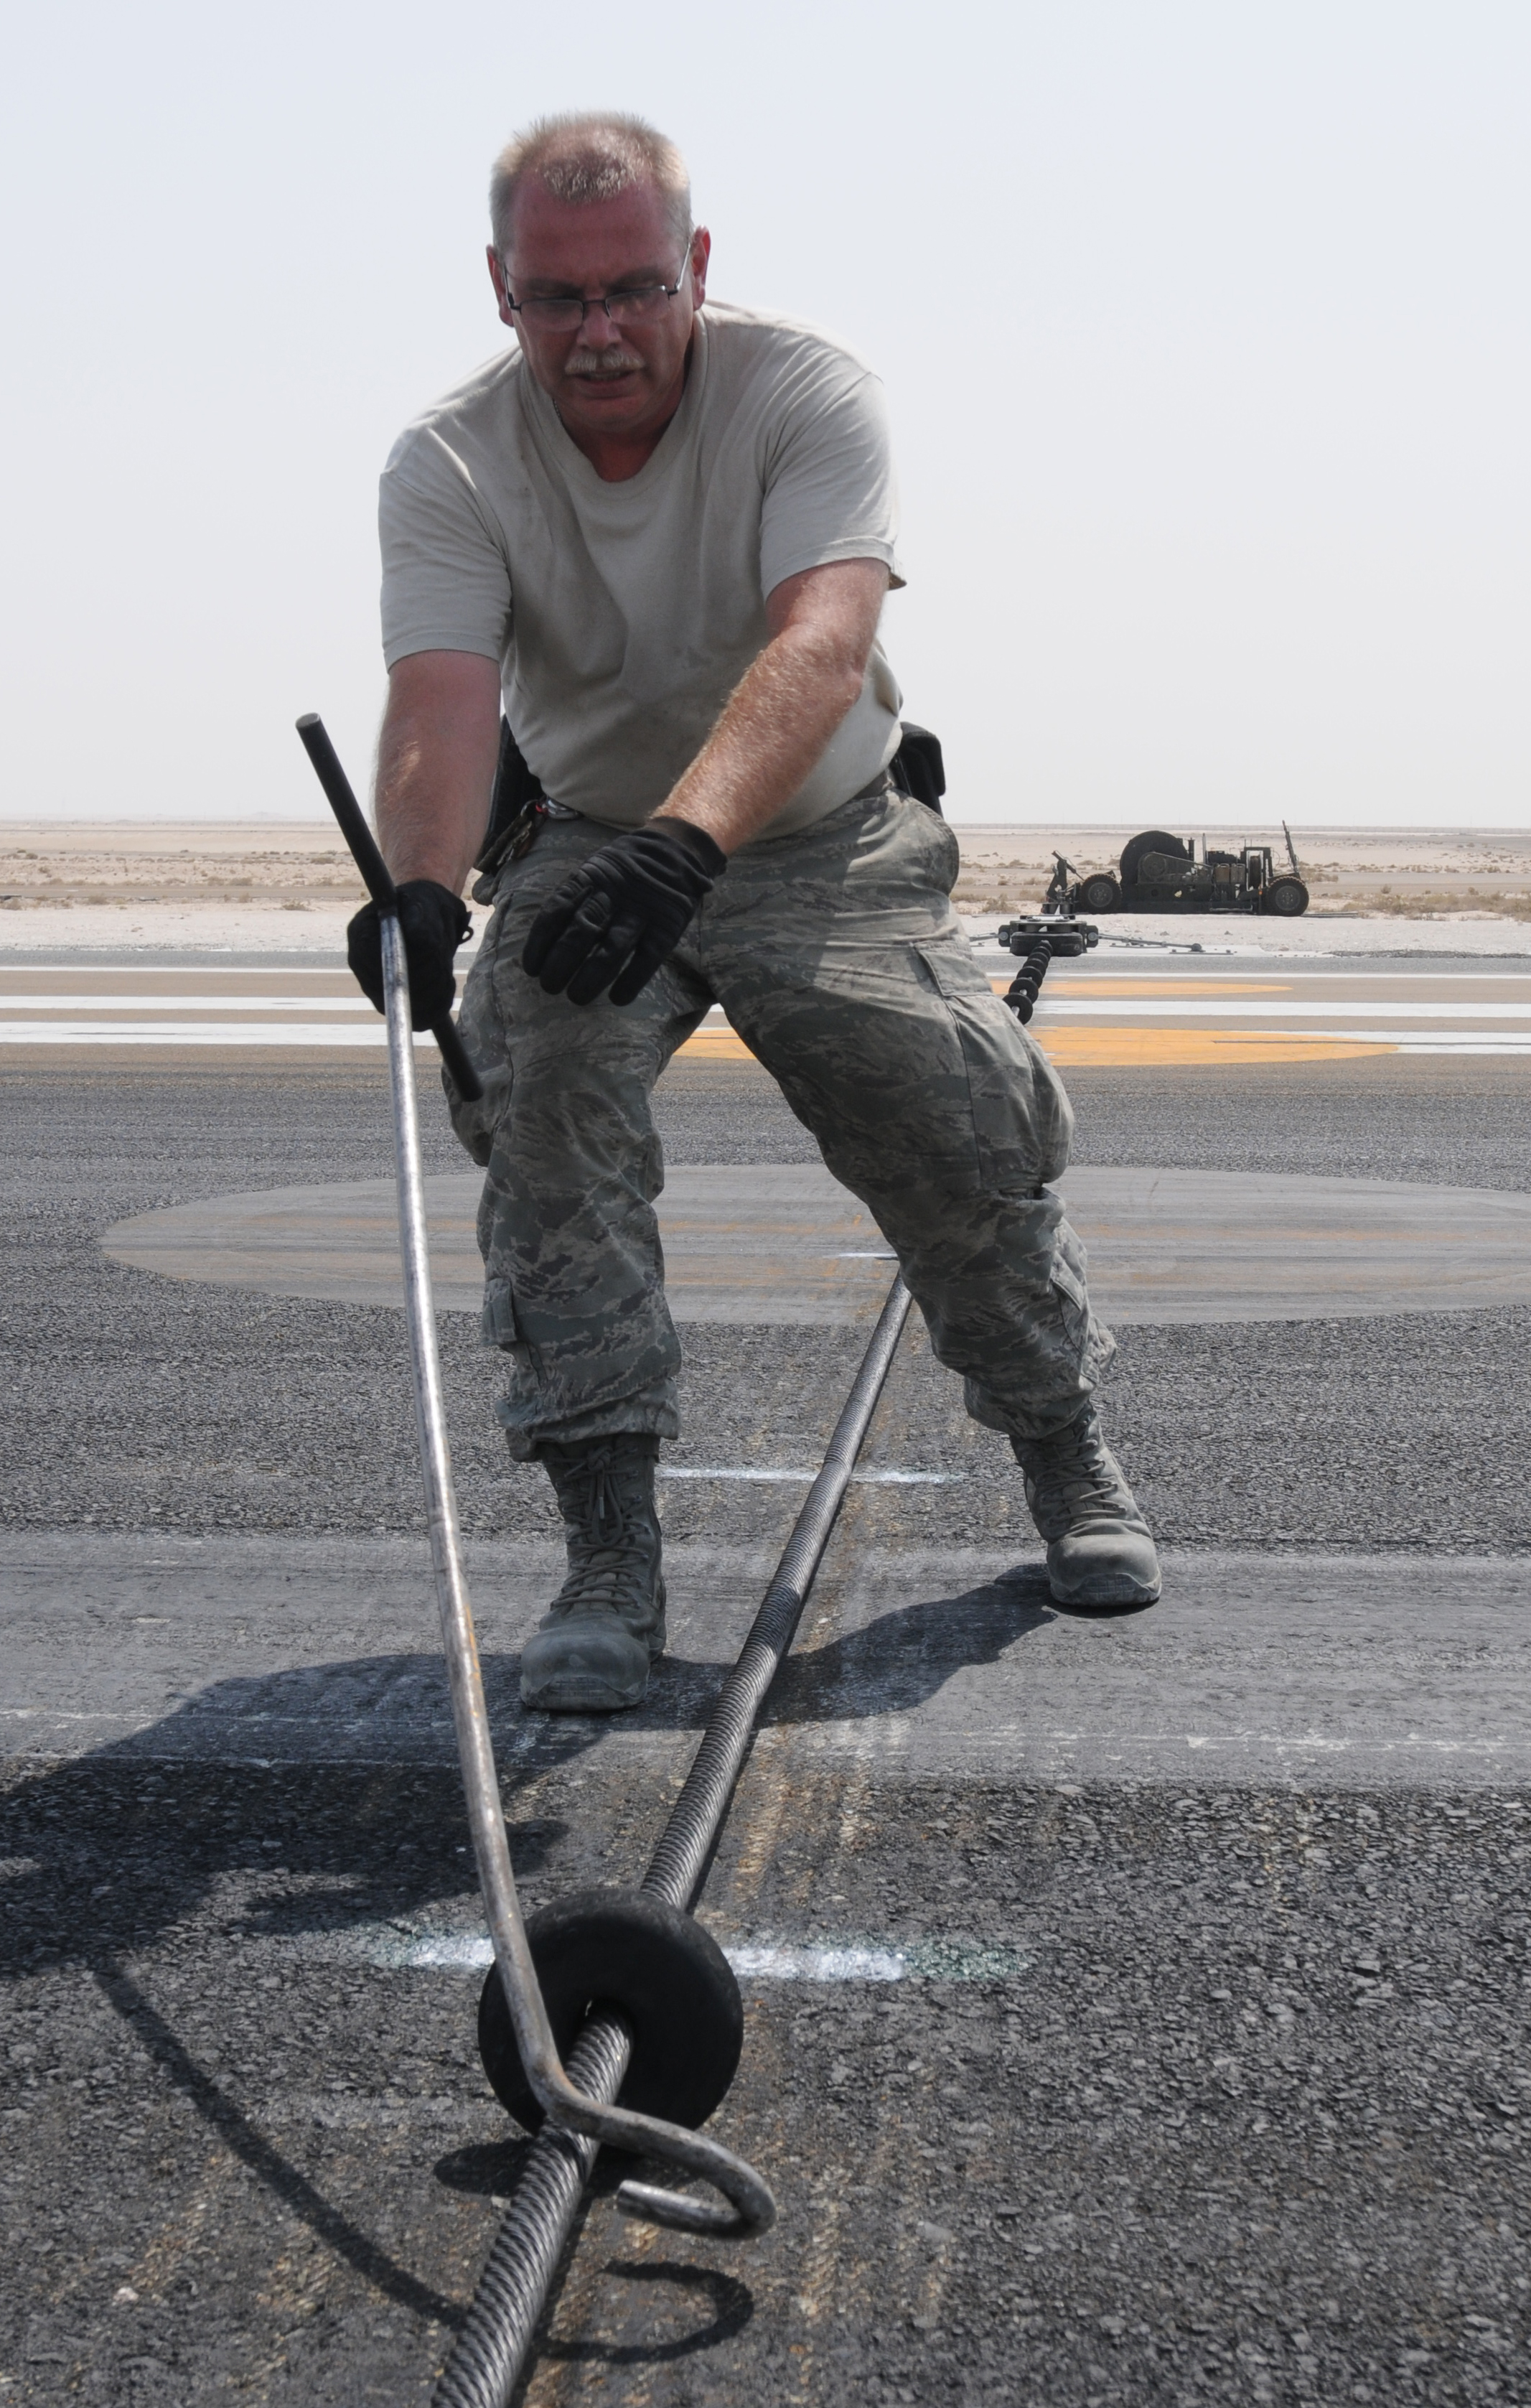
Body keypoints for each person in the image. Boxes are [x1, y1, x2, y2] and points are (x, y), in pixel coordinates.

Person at [347, 111, 1161, 1714]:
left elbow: (821, 645)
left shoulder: (803, 391)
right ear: (499, 289)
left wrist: (689, 846)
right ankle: (607, 1553)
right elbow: (437, 698)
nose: (599, 334)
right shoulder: (445, 459)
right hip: (589, 833)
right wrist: (426, 889)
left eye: (634, 290)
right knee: (544, 1098)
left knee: (948, 1105)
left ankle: (1065, 1450)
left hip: (823, 828)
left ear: (697, 269)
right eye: (555, 300)